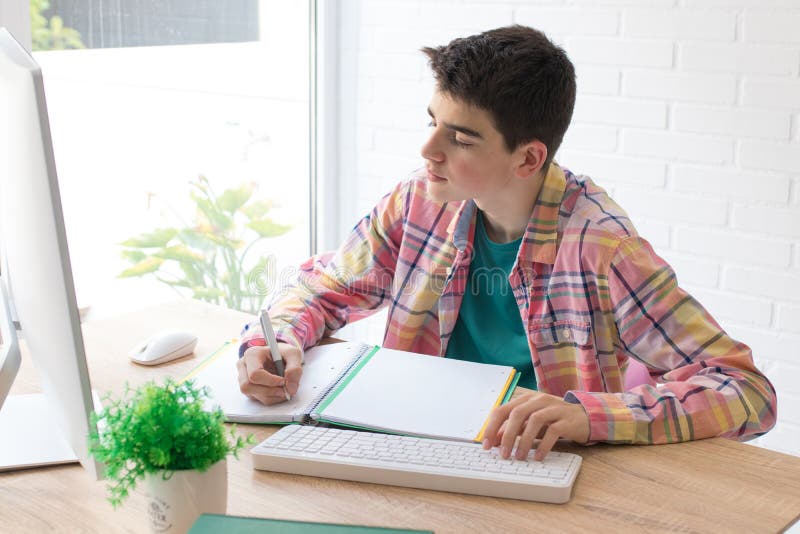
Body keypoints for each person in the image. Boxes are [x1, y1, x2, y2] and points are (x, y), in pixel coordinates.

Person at [236, 25, 777, 461]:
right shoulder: (416, 204)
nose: (428, 149)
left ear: (528, 159)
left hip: (535, 463)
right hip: (413, 447)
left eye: (461, 137)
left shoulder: (602, 247)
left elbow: (746, 390)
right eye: (432, 121)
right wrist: (278, 340)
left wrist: (589, 415)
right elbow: (322, 287)